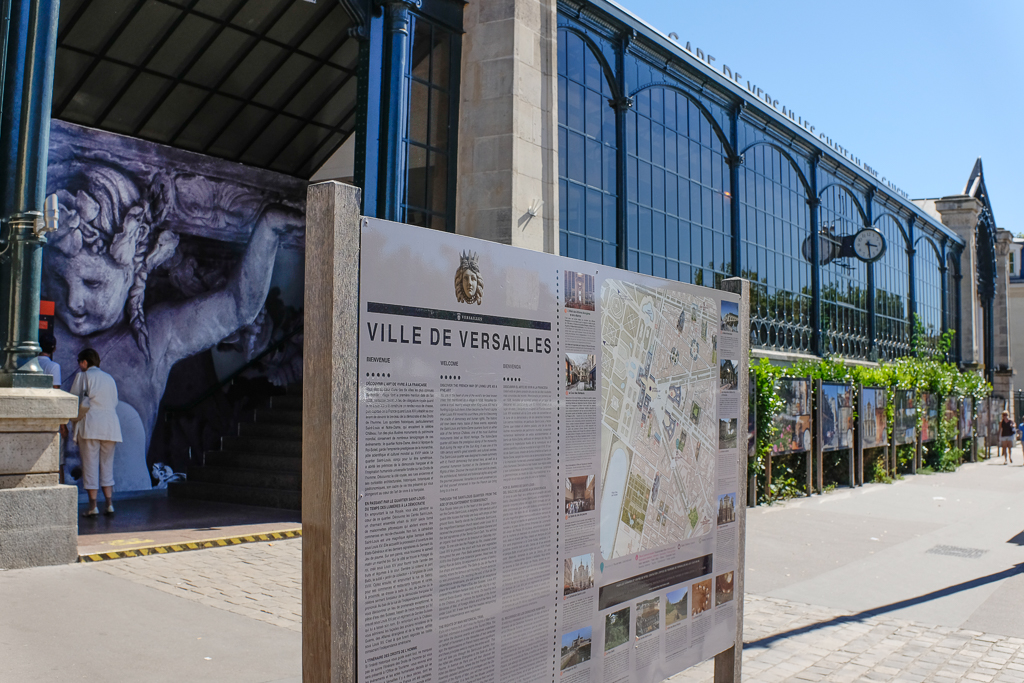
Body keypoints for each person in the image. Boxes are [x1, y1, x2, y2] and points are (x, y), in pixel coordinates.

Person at [43, 163, 303, 491]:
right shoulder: (29, 335)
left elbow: (237, 306)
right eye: (57, 279)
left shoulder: (151, 339)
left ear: (133, 272)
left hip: (126, 517)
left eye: (92, 283)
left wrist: (268, 230)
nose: (74, 300)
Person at [70, 348, 122, 516]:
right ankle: (109, 504)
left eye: (80, 362)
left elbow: (73, 400)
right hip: (111, 426)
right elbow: (115, 401)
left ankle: (93, 506)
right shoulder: (109, 378)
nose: (79, 366)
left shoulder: (83, 377)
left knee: (90, 466)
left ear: (85, 362)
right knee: (107, 466)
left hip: (90, 425)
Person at [38, 333, 68, 482]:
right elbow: (56, 393)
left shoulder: (31, 363)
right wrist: (62, 424)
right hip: (50, 417)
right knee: (58, 460)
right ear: (54, 349)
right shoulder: (53, 366)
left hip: (35, 415)